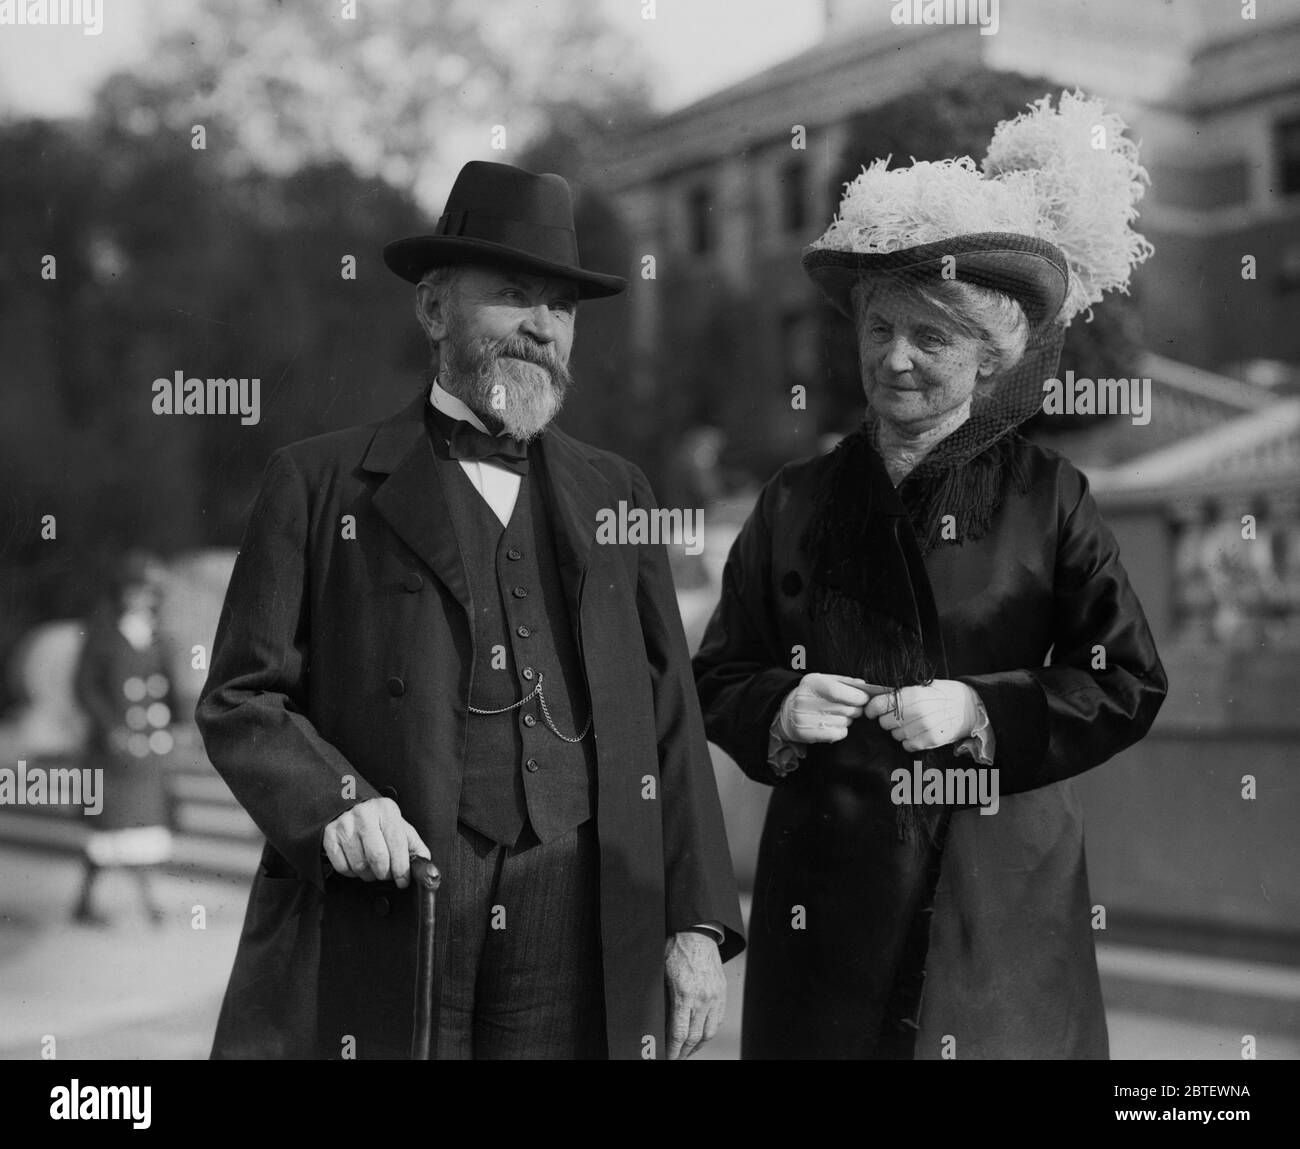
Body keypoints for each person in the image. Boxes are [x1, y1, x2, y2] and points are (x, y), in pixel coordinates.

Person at [196, 160, 744, 1060]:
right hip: (397, 900)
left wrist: (695, 921)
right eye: (514, 295)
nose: (541, 327)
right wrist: (335, 799)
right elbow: (240, 697)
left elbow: (671, 719)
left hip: (575, 903)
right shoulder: (317, 481)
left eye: (561, 308)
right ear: (433, 308)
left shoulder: (619, 489)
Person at [692, 92, 1168, 1059]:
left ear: (992, 358)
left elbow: (1126, 680)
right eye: (877, 330)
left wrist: (982, 711)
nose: (894, 360)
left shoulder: (1050, 497)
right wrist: (779, 707)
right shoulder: (795, 499)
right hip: (825, 900)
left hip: (993, 901)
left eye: (931, 338)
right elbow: (717, 675)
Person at [72, 550, 177, 926]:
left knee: (143, 827)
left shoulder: (159, 637)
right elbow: (85, 687)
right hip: (110, 750)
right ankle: (110, 902)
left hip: (147, 747)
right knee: (111, 831)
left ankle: (140, 901)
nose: (142, 598)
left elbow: (171, 690)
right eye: (135, 590)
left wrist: (182, 727)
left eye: (149, 592)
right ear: (121, 592)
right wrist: (110, 727)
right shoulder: (101, 634)